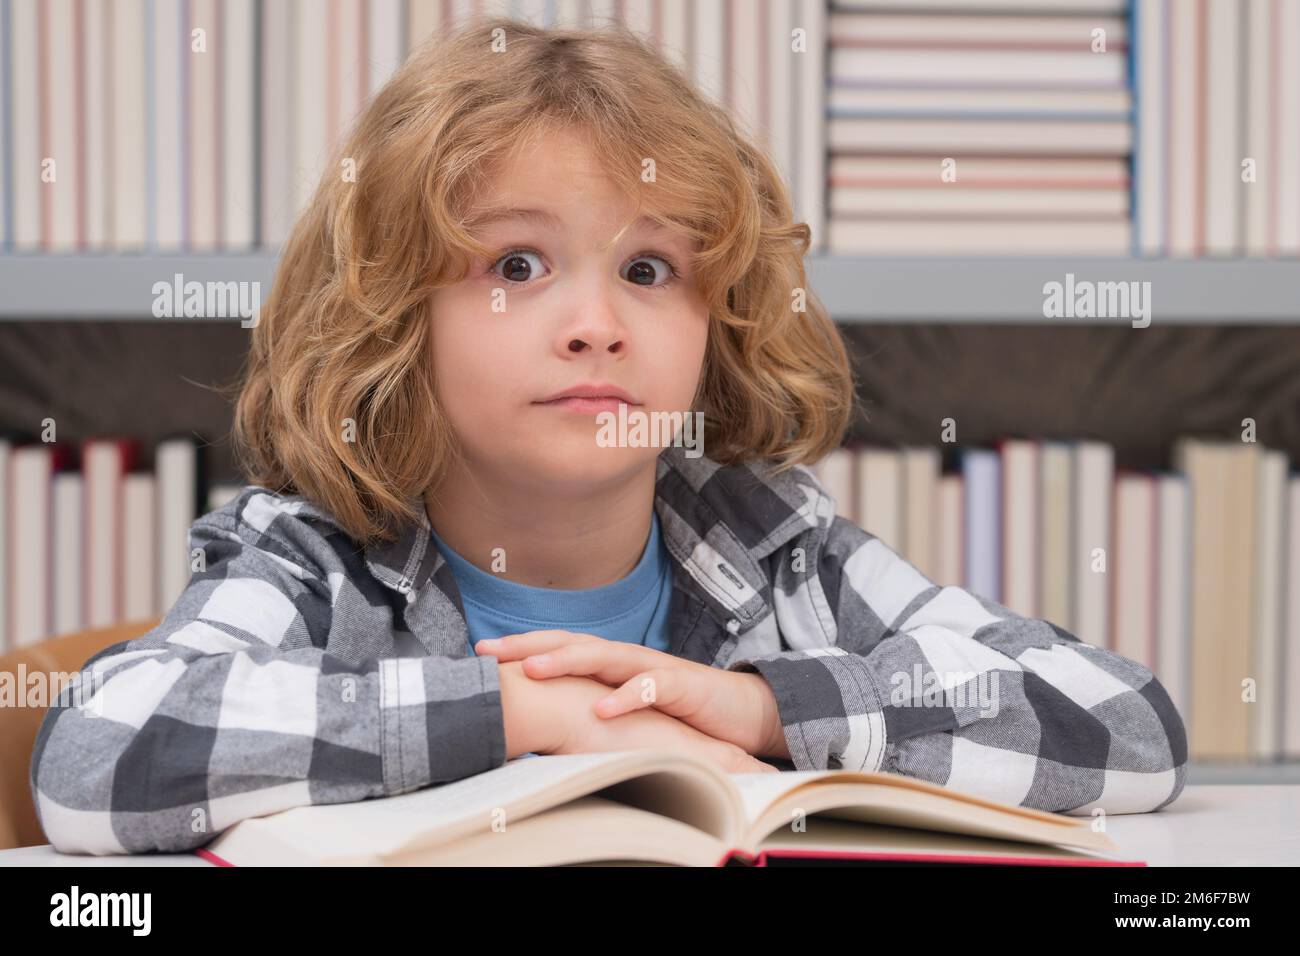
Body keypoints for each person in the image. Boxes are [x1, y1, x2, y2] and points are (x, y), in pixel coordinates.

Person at [30, 17, 1186, 855]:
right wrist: (515, 715)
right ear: (395, 316)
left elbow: (1129, 722)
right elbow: (92, 758)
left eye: (648, 270)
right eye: (515, 266)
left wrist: (771, 707)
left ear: (715, 321)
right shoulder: (316, 554)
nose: (595, 327)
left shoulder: (773, 546)